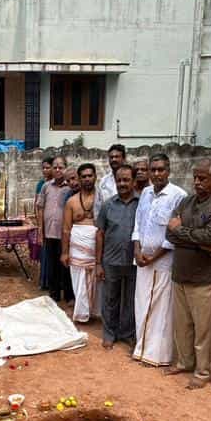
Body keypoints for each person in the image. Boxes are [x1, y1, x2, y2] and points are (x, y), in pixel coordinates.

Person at [165, 159, 211, 386]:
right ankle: (184, 362)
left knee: (203, 328)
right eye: (195, 177)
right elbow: (169, 234)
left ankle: (202, 372)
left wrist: (184, 232)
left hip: (204, 278)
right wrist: (200, 243)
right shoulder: (186, 201)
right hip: (181, 273)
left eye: (203, 178)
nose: (197, 182)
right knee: (182, 325)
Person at [131, 154, 187, 367]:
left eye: (160, 169)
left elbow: (174, 235)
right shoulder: (145, 193)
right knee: (142, 304)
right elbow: (138, 224)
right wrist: (137, 251)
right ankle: (141, 347)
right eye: (153, 170)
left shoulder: (178, 196)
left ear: (169, 171)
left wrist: (153, 257)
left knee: (160, 309)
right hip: (142, 260)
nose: (156, 174)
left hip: (162, 262)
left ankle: (157, 355)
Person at [95, 166, 138, 349]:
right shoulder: (108, 205)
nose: (122, 183)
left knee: (130, 299)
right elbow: (100, 234)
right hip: (111, 261)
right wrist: (98, 263)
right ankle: (109, 333)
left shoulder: (142, 204)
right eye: (119, 180)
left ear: (133, 182)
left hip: (134, 262)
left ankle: (127, 333)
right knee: (110, 299)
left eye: (126, 180)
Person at [61, 163, 101, 324]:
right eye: (83, 176)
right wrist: (64, 252)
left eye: (90, 176)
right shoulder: (71, 202)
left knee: (97, 281)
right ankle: (82, 313)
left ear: (95, 177)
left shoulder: (103, 198)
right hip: (77, 248)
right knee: (78, 281)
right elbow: (66, 229)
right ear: (79, 178)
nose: (87, 179)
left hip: (97, 246)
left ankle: (95, 312)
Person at [38, 158, 73, 303]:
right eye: (55, 167)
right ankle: (54, 294)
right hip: (50, 232)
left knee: (65, 265)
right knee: (52, 264)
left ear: (65, 168)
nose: (58, 170)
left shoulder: (70, 188)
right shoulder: (46, 187)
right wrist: (41, 229)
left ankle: (69, 295)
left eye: (61, 167)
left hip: (65, 234)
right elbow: (40, 208)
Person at [95, 143, 127, 212]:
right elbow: (98, 206)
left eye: (117, 157)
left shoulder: (132, 179)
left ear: (124, 159)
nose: (114, 159)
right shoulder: (103, 181)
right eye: (111, 157)